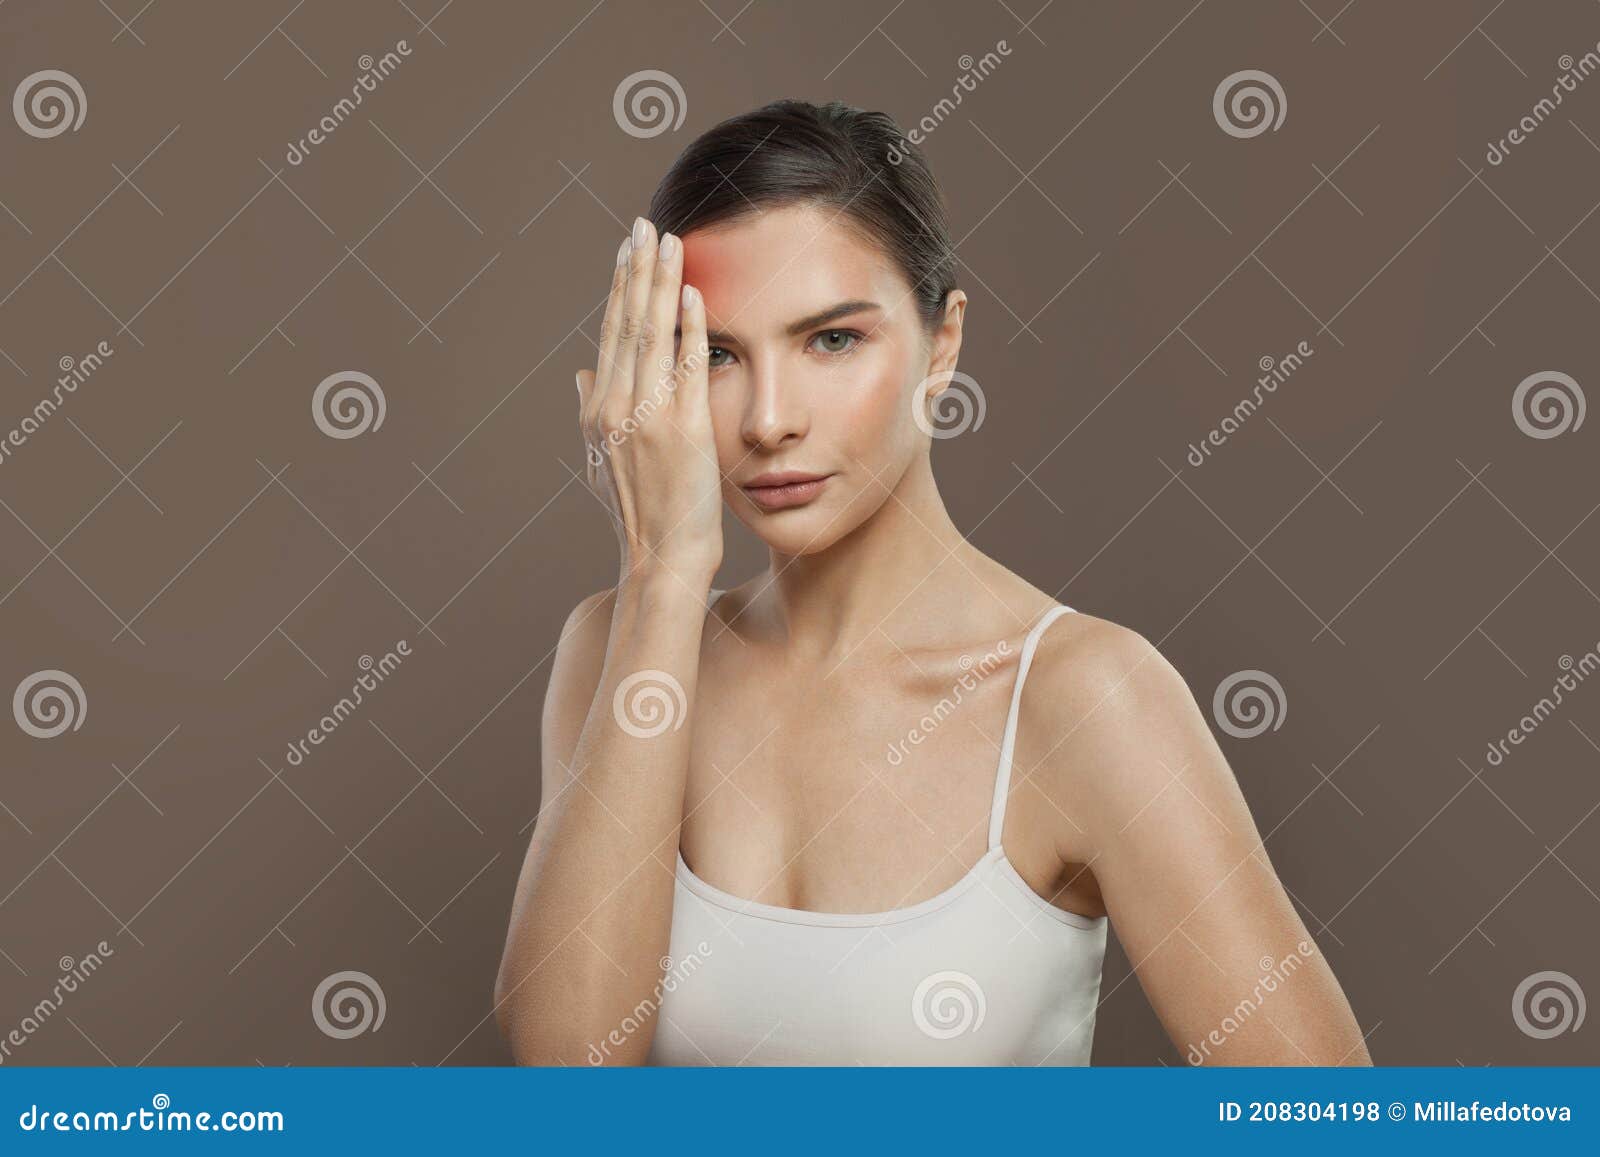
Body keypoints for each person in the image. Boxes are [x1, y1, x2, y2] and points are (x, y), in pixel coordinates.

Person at [494, 99, 1370, 1066]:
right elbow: (566, 1073)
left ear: (942, 344)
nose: (769, 420)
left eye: (833, 339)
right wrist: (662, 573)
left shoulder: (1085, 697)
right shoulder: (615, 651)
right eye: (716, 355)